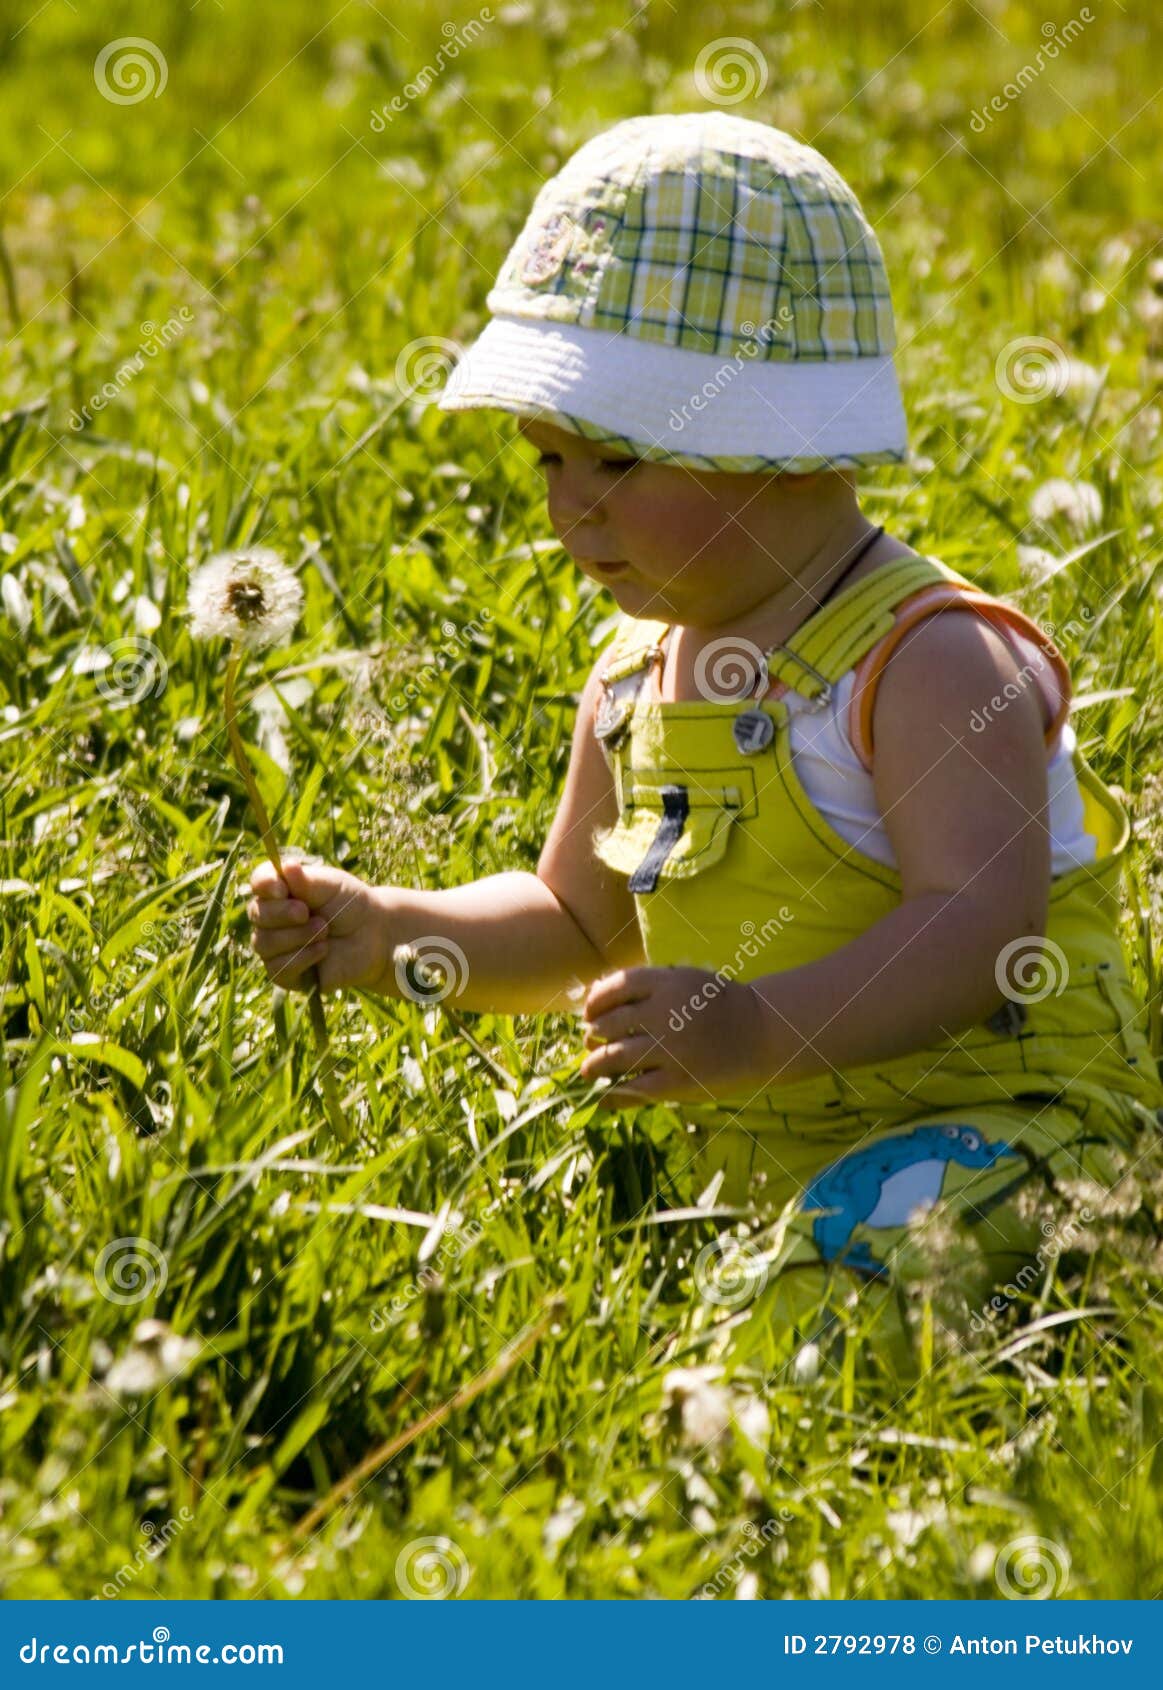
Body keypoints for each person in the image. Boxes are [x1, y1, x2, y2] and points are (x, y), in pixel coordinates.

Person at [247, 112, 1162, 1343]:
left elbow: (980, 931)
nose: (570, 507)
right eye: (548, 459)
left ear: (781, 443)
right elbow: (576, 921)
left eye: (617, 460)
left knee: (822, 1310)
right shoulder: (634, 677)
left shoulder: (929, 661)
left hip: (1022, 1132)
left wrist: (753, 1027)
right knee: (641, 1261)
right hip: (792, 1158)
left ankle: (772, 1423)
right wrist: (396, 934)